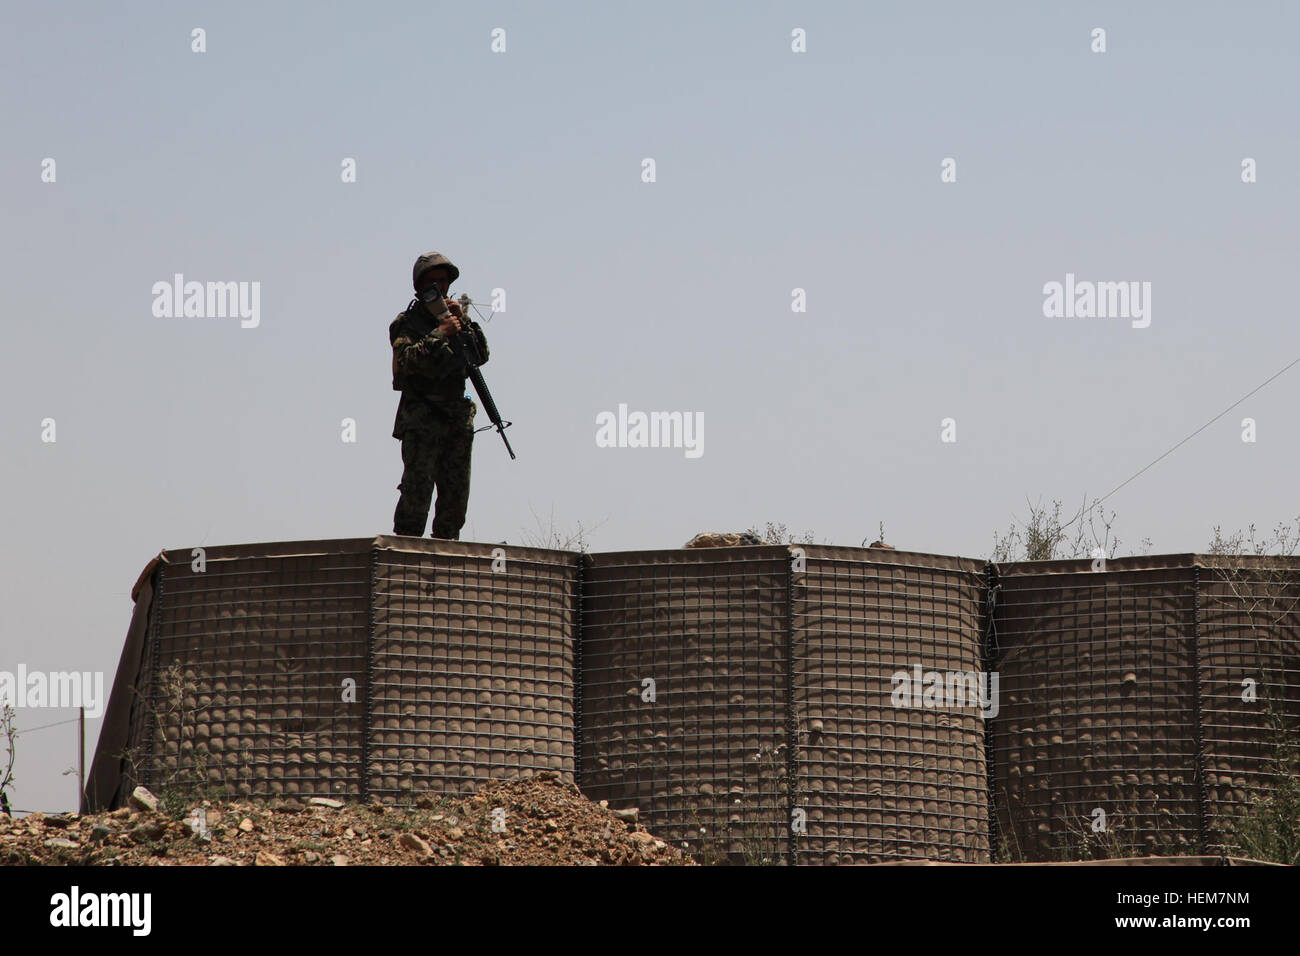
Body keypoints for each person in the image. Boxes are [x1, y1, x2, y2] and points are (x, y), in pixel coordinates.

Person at [390, 251, 490, 539]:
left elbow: (480, 356)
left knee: (455, 498)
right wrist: (439, 334)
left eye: (443, 281)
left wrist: (464, 323)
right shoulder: (407, 323)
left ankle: (448, 563)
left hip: (455, 422)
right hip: (422, 420)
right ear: (420, 286)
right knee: (416, 495)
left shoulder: (458, 320)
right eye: (431, 282)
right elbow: (404, 366)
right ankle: (405, 562)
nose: (438, 287)